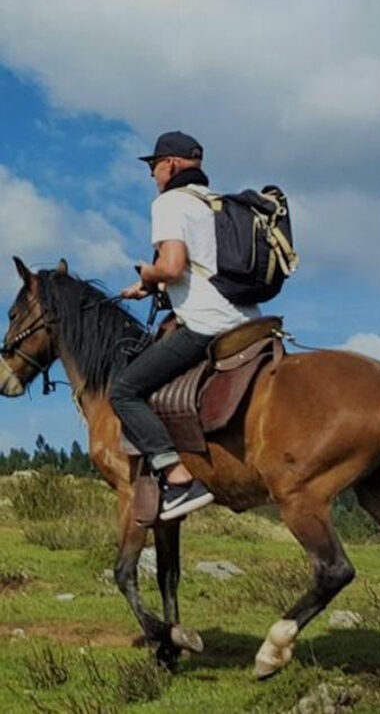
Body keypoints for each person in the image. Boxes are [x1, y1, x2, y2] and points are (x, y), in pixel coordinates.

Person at [109, 131, 260, 521]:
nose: (152, 175)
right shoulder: (217, 203)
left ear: (172, 164)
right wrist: (148, 286)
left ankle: (178, 477)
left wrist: (149, 270)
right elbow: (200, 267)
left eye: (154, 166)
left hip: (206, 324)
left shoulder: (170, 202)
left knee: (124, 391)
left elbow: (173, 265)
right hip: (250, 321)